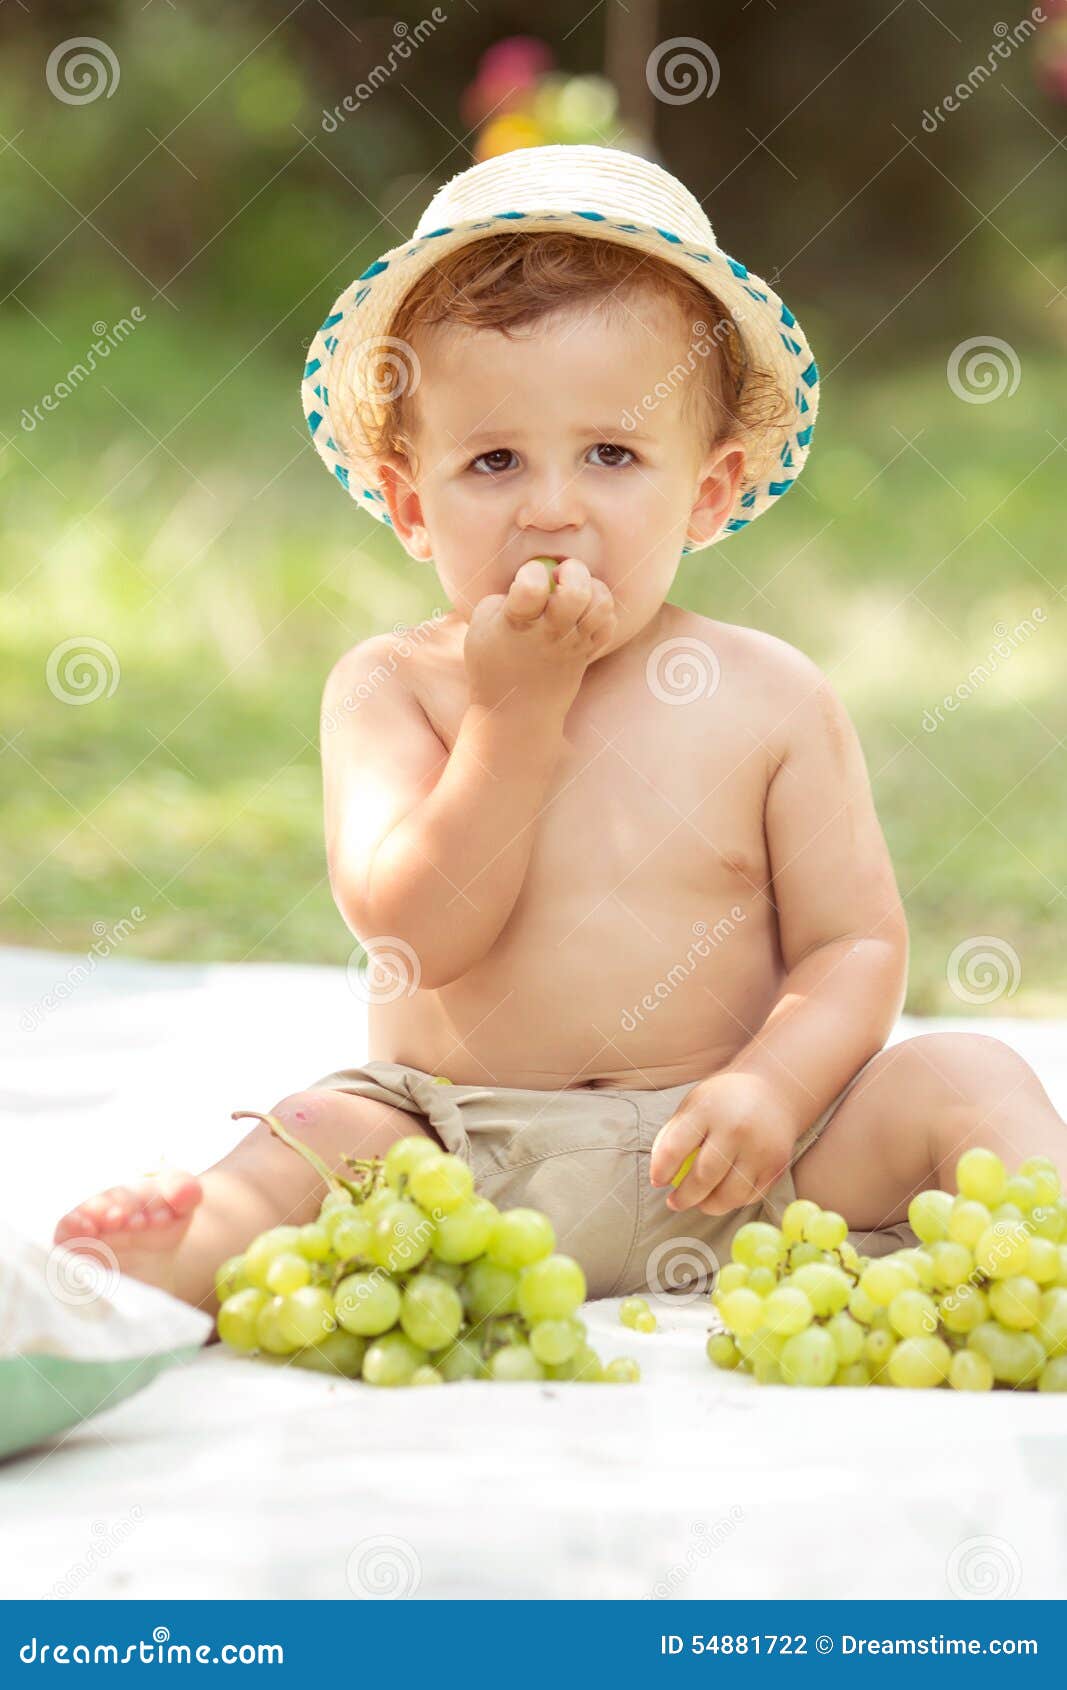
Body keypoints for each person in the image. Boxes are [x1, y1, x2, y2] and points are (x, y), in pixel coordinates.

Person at [54, 145, 1066, 1313]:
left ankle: (1040, 1267)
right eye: (492, 460)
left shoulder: (771, 696)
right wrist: (511, 714)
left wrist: (775, 1088)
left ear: (708, 488)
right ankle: (134, 1275)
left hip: (741, 1168)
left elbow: (854, 948)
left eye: (611, 454)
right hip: (457, 1163)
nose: (550, 509)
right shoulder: (392, 688)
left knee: (965, 1073)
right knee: (316, 1128)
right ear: (410, 504)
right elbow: (417, 933)